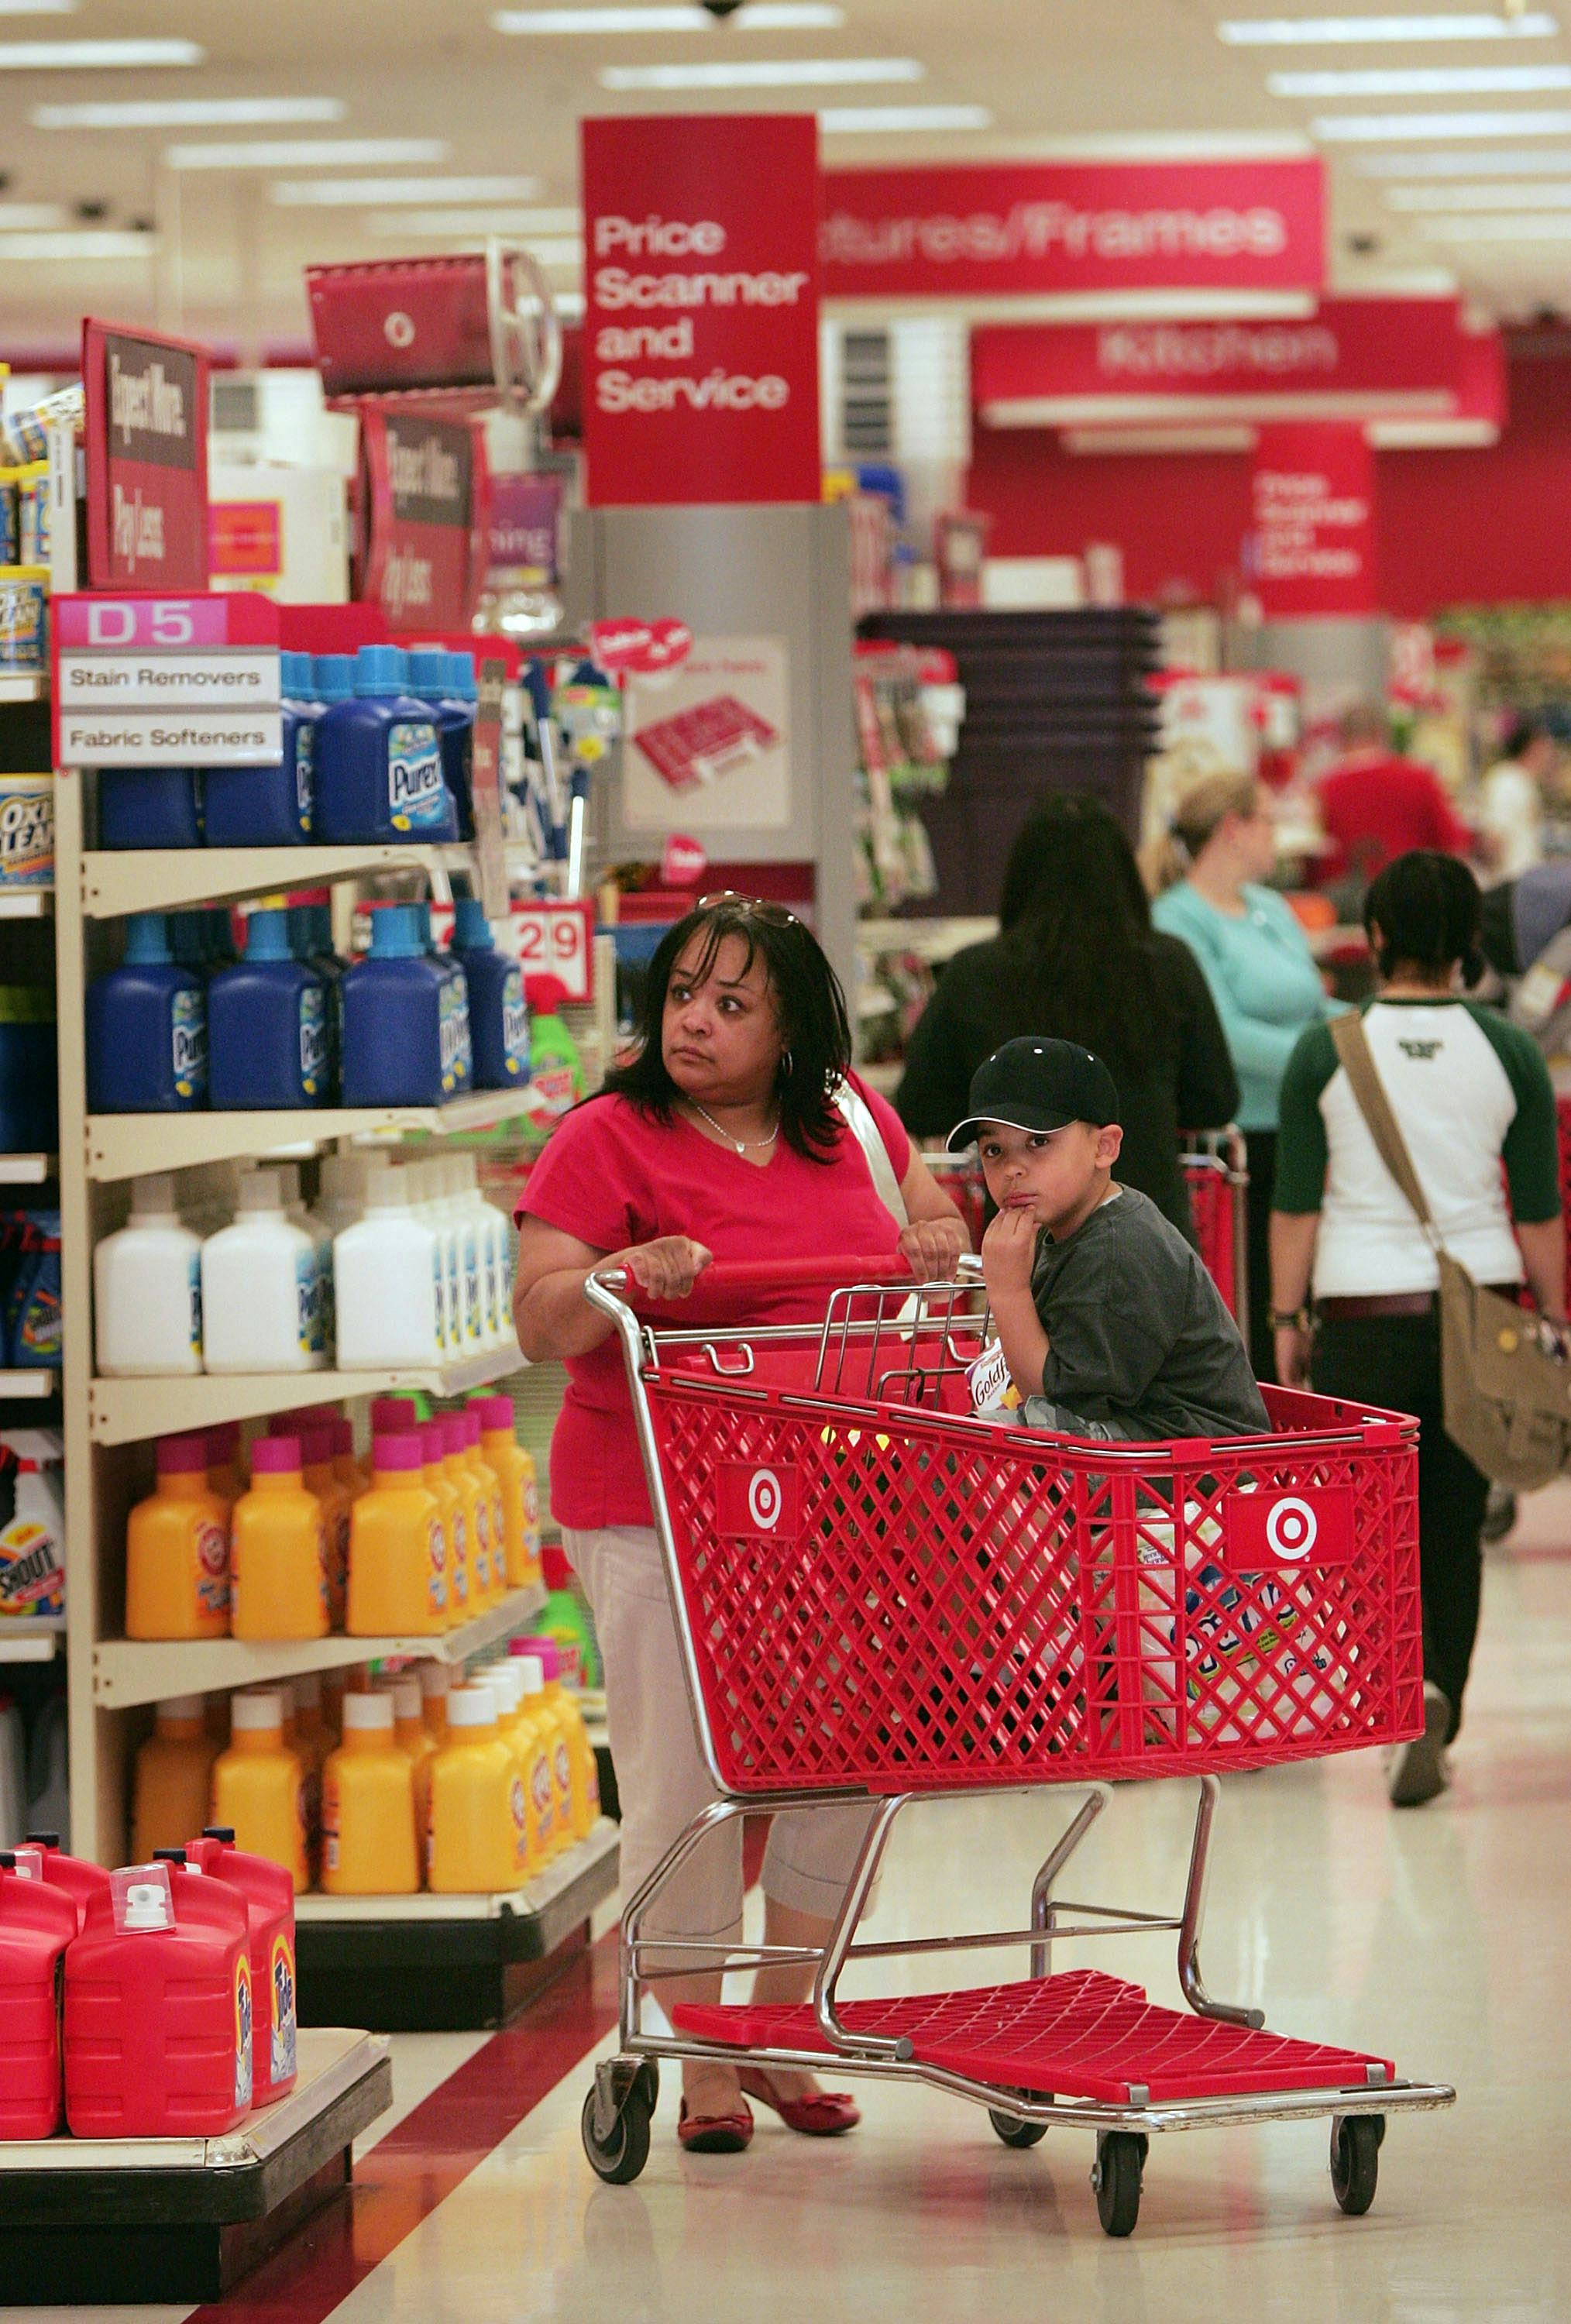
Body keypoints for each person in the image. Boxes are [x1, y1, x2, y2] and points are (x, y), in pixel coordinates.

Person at [511, 892, 968, 2155]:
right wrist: (611, 1277)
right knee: (683, 1779)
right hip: (656, 1503)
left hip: (847, 1506)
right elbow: (537, 1318)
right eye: (680, 997)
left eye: (731, 1003)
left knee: (853, 1764)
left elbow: (930, 1223)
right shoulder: (602, 1138)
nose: (694, 1023)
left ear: (793, 1027)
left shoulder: (852, 1125)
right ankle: (703, 2057)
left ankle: (784, 2024)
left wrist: (936, 1235)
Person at [1270, 851, 1565, 1809]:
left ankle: (1395, 1699)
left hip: (1361, 1313)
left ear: (1379, 938)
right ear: (1469, 946)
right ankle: (1442, 1687)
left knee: (1369, 1533)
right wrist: (1553, 1315)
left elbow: (1295, 1206)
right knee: (1452, 1523)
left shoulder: (1327, 1050)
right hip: (1479, 1317)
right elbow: (1538, 1211)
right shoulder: (1510, 1051)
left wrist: (1285, 1315)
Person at [895, 793, 1238, 1242]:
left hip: (1023, 1234)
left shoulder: (975, 975)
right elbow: (1215, 1099)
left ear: (1019, 879)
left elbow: (921, 1105)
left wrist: (1003, 1123)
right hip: (1154, 1226)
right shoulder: (1167, 964)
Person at [955, 1036, 1268, 1442]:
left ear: (1104, 1147)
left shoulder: (1116, 1252)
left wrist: (1008, 1290)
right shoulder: (1078, 1228)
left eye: (1039, 1141)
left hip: (1194, 1468)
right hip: (1146, 1448)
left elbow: (1055, 1405)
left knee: (971, 1454)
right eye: (994, 1149)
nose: (1013, 1168)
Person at [1149, 768, 1334, 1380]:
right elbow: (1224, 1035)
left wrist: (1372, 1028)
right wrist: (1335, 1055)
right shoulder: (1177, 919)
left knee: (1309, 1297)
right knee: (1254, 1299)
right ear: (1234, 829)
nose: (1275, 833)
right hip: (1238, 1147)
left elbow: (1315, 1006)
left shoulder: (1271, 908)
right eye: (1267, 818)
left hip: (1306, 1126)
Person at [1309, 702, 1472, 896]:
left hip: (1349, 905)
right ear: (1381, 734)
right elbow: (1453, 843)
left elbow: (1316, 859)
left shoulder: (1324, 788)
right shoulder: (1420, 778)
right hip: (1415, 897)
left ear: (1341, 739)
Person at [1478, 719, 1558, 885]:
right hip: (1509, 882)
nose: (1551, 755)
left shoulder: (1525, 781)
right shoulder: (1506, 780)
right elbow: (1494, 838)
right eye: (1546, 747)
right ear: (1532, 747)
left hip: (1525, 880)